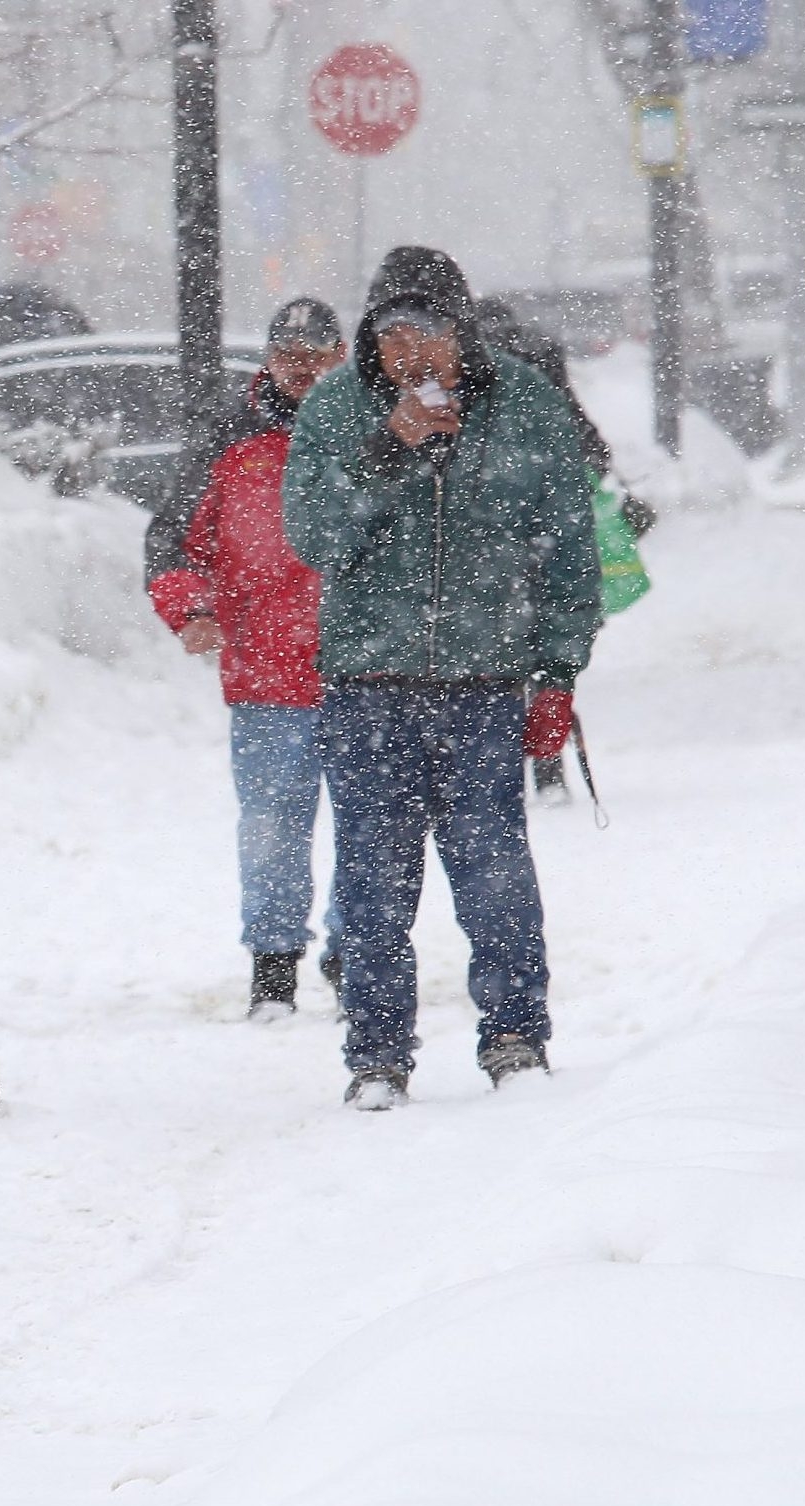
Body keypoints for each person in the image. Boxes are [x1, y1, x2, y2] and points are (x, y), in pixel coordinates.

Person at [282, 246, 603, 1111]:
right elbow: (315, 539)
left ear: (465, 335)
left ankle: (514, 1035)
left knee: (493, 866)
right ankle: (378, 1053)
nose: (413, 352)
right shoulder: (334, 411)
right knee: (373, 875)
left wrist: (558, 673)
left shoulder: (528, 409)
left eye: (431, 331)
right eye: (394, 335)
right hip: (367, 682)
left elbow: (571, 553)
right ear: (370, 342)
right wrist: (388, 451)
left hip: (484, 680)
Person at [145, 296, 352, 1020]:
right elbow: (173, 541)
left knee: (370, 828)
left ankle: (355, 951)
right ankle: (273, 968)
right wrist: (192, 610)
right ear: (268, 358)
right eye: (289, 356)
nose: (301, 370)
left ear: (341, 355)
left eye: (316, 356)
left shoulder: (375, 429)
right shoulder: (227, 437)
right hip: (268, 672)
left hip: (367, 670)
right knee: (272, 826)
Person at [474, 294, 655, 804]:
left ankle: (504, 765)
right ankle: (548, 766)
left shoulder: (469, 374)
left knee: (501, 659)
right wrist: (602, 486)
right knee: (546, 653)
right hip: (547, 534)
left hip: (496, 542)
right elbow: (583, 436)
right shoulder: (538, 368)